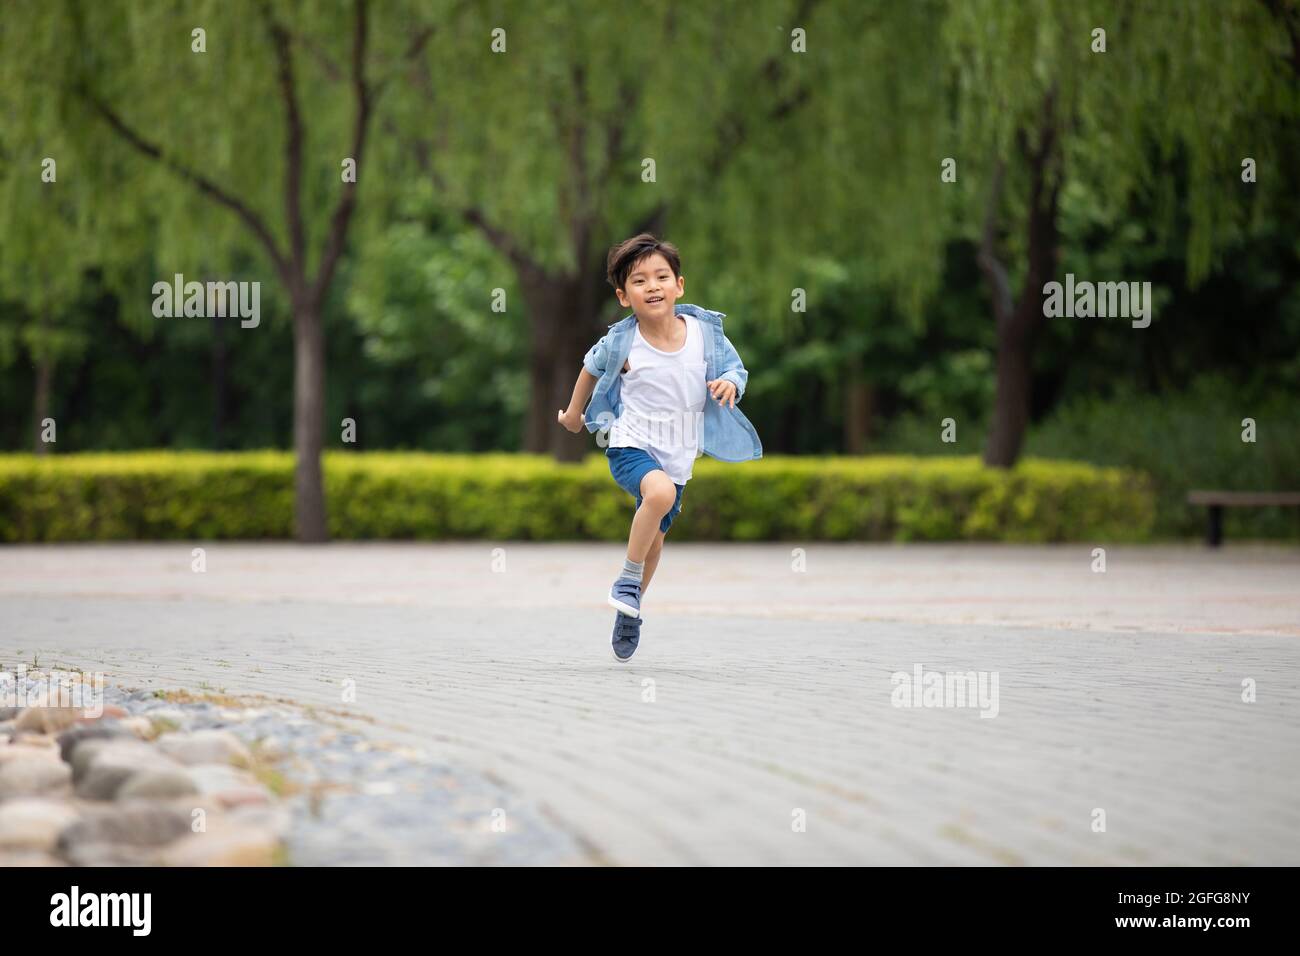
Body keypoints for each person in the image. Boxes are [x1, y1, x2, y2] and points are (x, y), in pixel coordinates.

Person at [557, 234, 763, 661]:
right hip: (631, 444)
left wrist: (731, 383)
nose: (652, 286)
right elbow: (588, 369)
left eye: (661, 277)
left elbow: (734, 369)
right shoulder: (622, 341)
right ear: (623, 296)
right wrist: (575, 415)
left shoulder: (704, 333)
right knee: (659, 494)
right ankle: (627, 580)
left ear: (679, 285)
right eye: (639, 280)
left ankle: (629, 608)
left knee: (655, 541)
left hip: (679, 451)